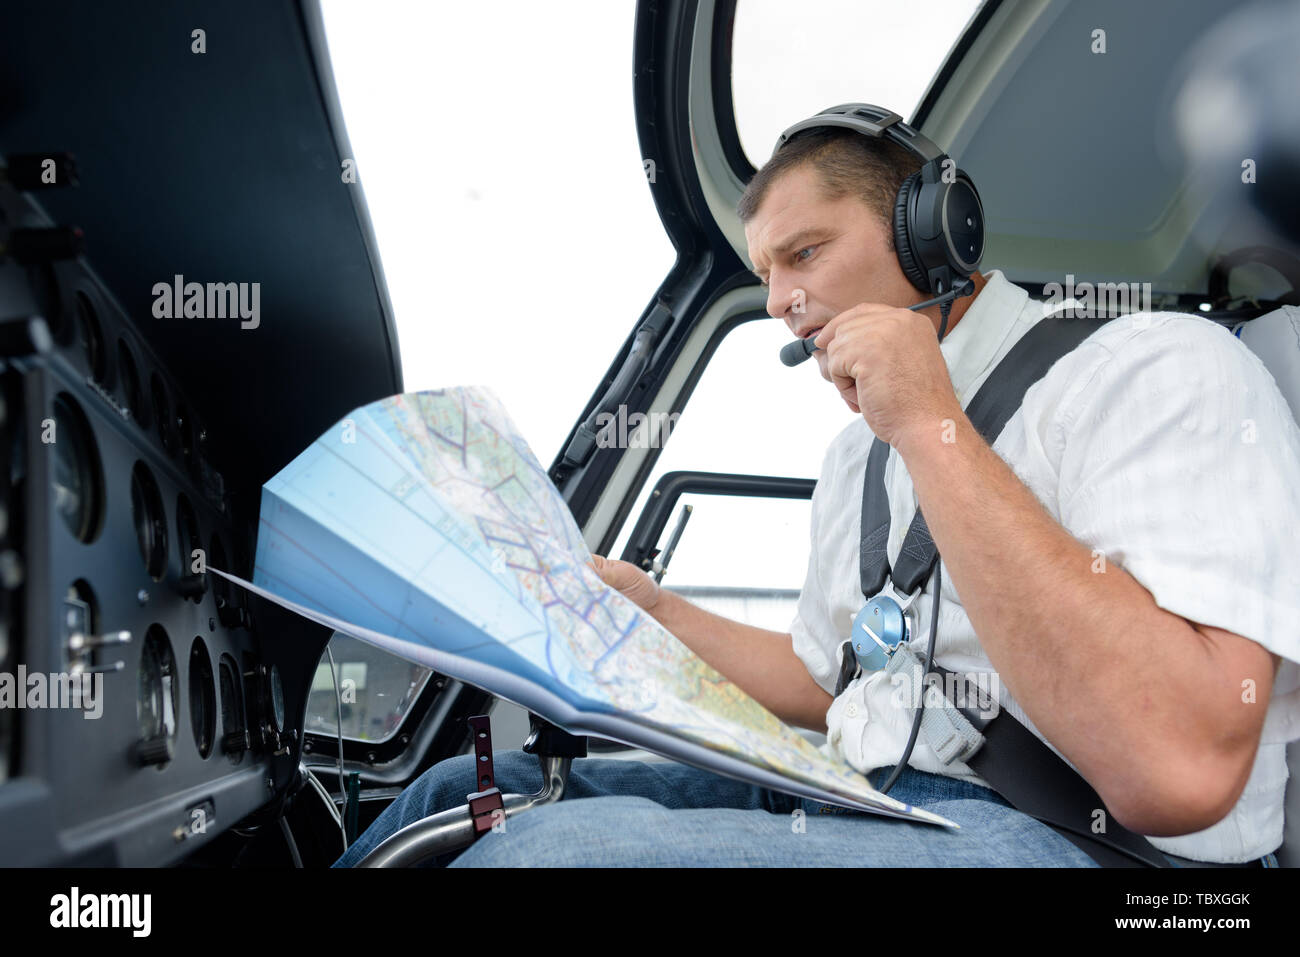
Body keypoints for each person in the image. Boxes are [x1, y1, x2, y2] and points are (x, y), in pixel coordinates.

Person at [334, 123, 1300, 868]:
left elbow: (1182, 766)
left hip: (1088, 846)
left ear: (936, 233)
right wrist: (654, 611)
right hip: (872, 792)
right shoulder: (857, 457)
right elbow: (833, 675)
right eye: (766, 275)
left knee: (542, 857)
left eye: (804, 254)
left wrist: (932, 426)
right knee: (457, 794)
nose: (777, 303)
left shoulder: (1151, 372)